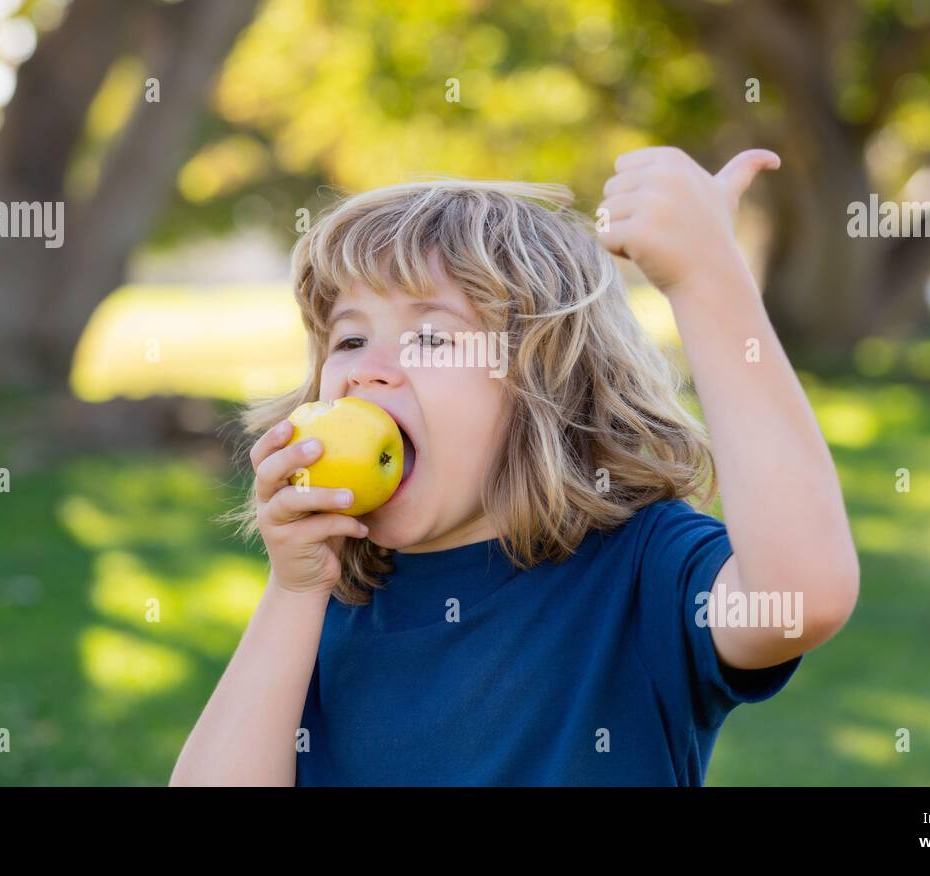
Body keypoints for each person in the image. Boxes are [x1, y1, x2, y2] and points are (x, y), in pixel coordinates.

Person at [171, 147, 860, 786]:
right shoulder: (329, 599)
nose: (366, 374)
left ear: (546, 384)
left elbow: (803, 597)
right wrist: (291, 594)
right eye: (349, 338)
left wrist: (707, 277)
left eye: (432, 335)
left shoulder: (640, 572)